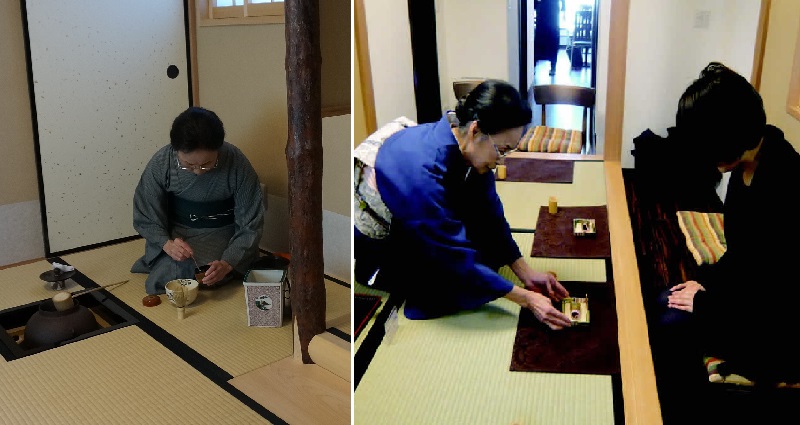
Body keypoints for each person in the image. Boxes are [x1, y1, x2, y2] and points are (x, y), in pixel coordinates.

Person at [354, 79, 573, 329]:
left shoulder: (462, 142)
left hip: (424, 226)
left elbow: (490, 211)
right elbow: (450, 255)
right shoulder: (420, 169)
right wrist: (527, 299)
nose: (501, 161)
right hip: (384, 253)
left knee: (488, 249)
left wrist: (525, 271)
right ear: (476, 130)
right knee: (452, 284)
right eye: (501, 149)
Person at [659, 62, 800, 386]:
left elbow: (774, 296)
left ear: (728, 136)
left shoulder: (787, 186)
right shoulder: (748, 164)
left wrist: (706, 302)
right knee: (667, 299)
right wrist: (704, 283)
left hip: (777, 329)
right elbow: (742, 255)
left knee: (669, 324)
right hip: (748, 300)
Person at [131, 106, 265, 295]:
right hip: (177, 235)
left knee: (211, 270)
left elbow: (250, 224)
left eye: (207, 164)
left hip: (222, 234)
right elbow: (145, 211)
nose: (198, 171)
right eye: (189, 165)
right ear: (175, 150)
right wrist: (166, 243)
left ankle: (224, 270)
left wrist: (228, 262)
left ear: (219, 148)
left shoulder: (236, 163)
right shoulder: (163, 162)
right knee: (163, 277)